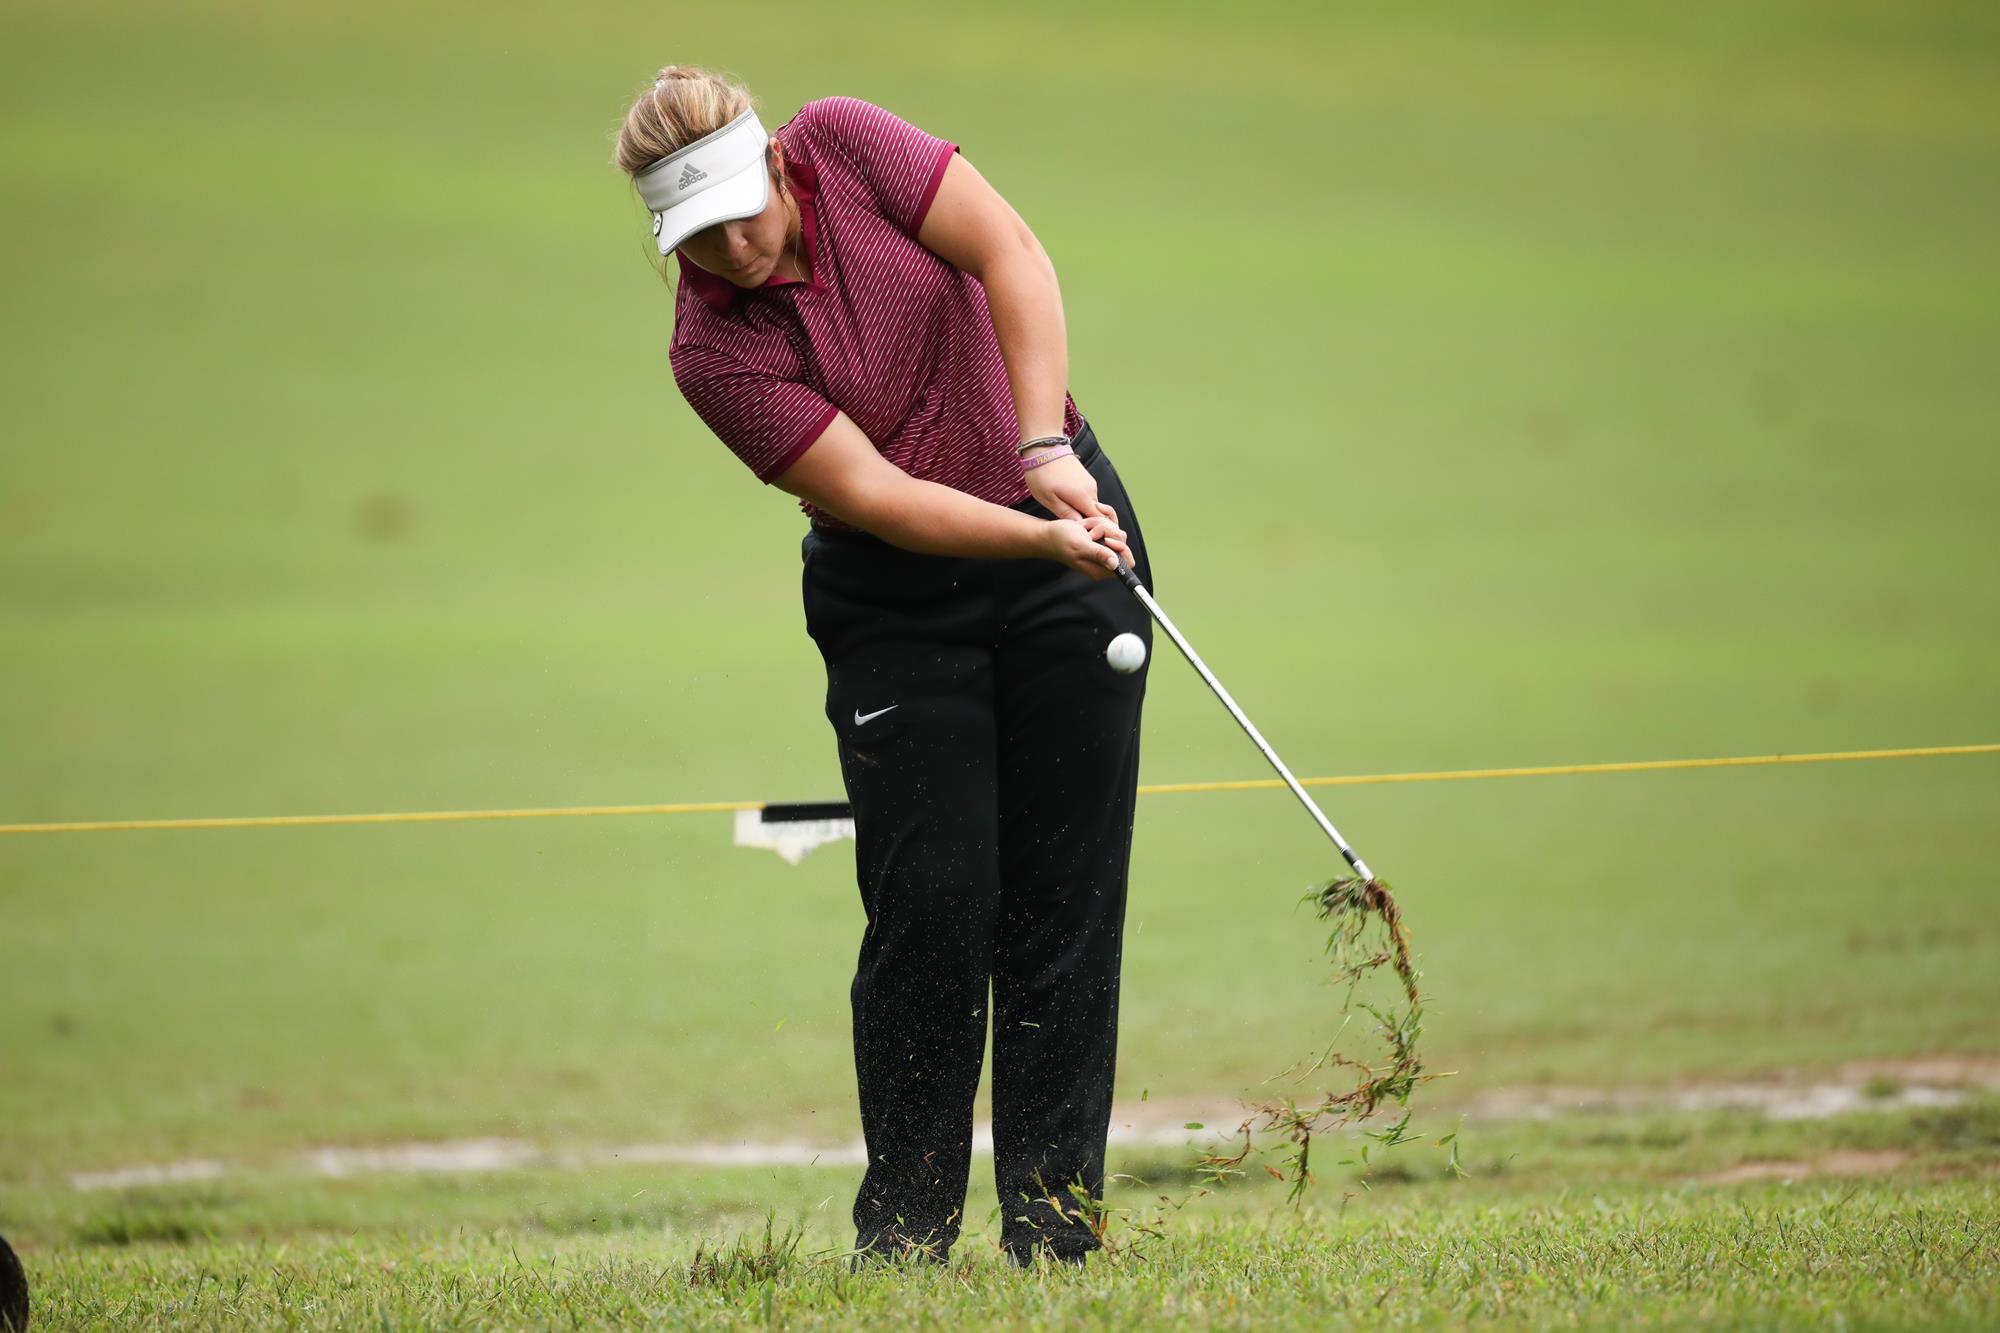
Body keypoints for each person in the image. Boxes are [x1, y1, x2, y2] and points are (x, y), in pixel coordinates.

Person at [613, 67, 1155, 1266]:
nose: (733, 249)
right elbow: (881, 498)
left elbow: (1011, 252)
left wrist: (1043, 450)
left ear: (770, 161)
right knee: (934, 902)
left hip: (1060, 502)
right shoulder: (711, 351)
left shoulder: (847, 144)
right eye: (695, 238)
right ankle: (904, 1236)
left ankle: (1055, 1235)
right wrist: (1035, 530)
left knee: (1064, 897)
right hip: (902, 594)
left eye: (738, 213)